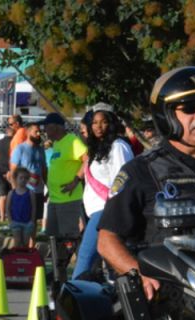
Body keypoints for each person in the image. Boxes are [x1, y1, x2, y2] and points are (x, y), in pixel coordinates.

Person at [99, 67, 195, 314]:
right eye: (189, 109)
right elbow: (107, 241)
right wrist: (138, 274)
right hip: (169, 300)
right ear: (166, 115)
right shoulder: (141, 171)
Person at [73, 103, 133, 280]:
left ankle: (72, 298)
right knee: (110, 263)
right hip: (95, 212)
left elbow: (122, 179)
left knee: (85, 257)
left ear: (111, 123)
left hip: (107, 211)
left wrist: (115, 211)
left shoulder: (118, 146)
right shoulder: (97, 148)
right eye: (95, 123)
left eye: (103, 122)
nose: (98, 126)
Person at [38, 112, 88, 238]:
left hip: (68, 199)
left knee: (68, 237)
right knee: (53, 237)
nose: (44, 130)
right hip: (54, 199)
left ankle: (76, 257)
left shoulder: (72, 141)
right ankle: (60, 258)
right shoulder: (56, 143)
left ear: (56, 127)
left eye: (46, 127)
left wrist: (75, 181)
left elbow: (87, 160)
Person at [9, 122, 48, 247]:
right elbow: (13, 171)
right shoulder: (20, 149)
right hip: (24, 191)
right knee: (22, 219)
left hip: (38, 190)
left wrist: (48, 188)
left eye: (39, 132)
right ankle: (20, 247)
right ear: (28, 132)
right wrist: (15, 190)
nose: (38, 134)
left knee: (35, 219)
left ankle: (32, 248)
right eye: (36, 132)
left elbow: (44, 169)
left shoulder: (40, 149)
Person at [7, 168, 36, 248]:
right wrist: (10, 221)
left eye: (26, 178)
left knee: (25, 243)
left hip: (27, 222)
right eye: (21, 178)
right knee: (17, 241)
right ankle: (16, 258)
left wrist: (32, 221)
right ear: (16, 179)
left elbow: (33, 207)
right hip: (15, 221)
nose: (23, 180)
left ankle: (24, 258)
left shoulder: (30, 193)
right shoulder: (11, 193)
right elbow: (8, 208)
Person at [0, 127, 14, 223]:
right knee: (13, 195)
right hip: (13, 171)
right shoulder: (15, 142)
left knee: (3, 196)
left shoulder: (0, 142)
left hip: (2, 170)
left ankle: (2, 217)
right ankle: (11, 217)